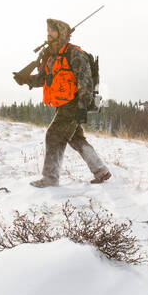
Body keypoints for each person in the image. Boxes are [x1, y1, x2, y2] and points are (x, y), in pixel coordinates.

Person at [13, 18, 111, 187]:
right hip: (62, 104)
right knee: (75, 138)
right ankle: (101, 171)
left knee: (54, 135)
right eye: (47, 30)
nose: (48, 33)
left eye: (52, 30)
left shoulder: (74, 53)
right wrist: (26, 80)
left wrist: (82, 106)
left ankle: (50, 178)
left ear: (62, 33)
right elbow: (45, 79)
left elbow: (85, 81)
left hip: (73, 103)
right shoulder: (51, 57)